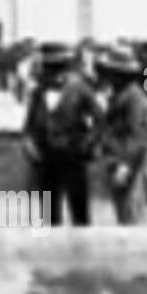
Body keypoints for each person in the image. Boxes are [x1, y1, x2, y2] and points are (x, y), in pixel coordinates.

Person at [24, 44, 102, 226]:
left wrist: (88, 144)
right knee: (50, 214)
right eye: (49, 68)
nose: (54, 74)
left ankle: (82, 250)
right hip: (47, 160)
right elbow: (29, 126)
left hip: (73, 158)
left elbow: (100, 120)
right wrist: (30, 146)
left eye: (59, 67)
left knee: (79, 212)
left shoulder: (80, 89)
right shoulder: (38, 93)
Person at [99, 48, 147, 225]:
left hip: (127, 161)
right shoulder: (120, 95)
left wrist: (125, 164)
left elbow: (136, 135)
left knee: (131, 211)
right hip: (117, 159)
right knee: (123, 210)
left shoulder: (133, 98)